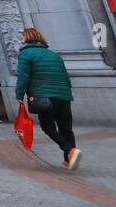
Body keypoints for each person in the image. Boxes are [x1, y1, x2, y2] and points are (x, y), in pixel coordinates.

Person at [15, 28, 80, 170]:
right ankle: (70, 160)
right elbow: (65, 76)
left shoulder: (25, 54)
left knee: (48, 127)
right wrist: (66, 93)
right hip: (63, 96)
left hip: (43, 96)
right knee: (66, 129)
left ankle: (69, 150)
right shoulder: (54, 55)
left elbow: (23, 77)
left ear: (26, 39)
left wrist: (19, 95)